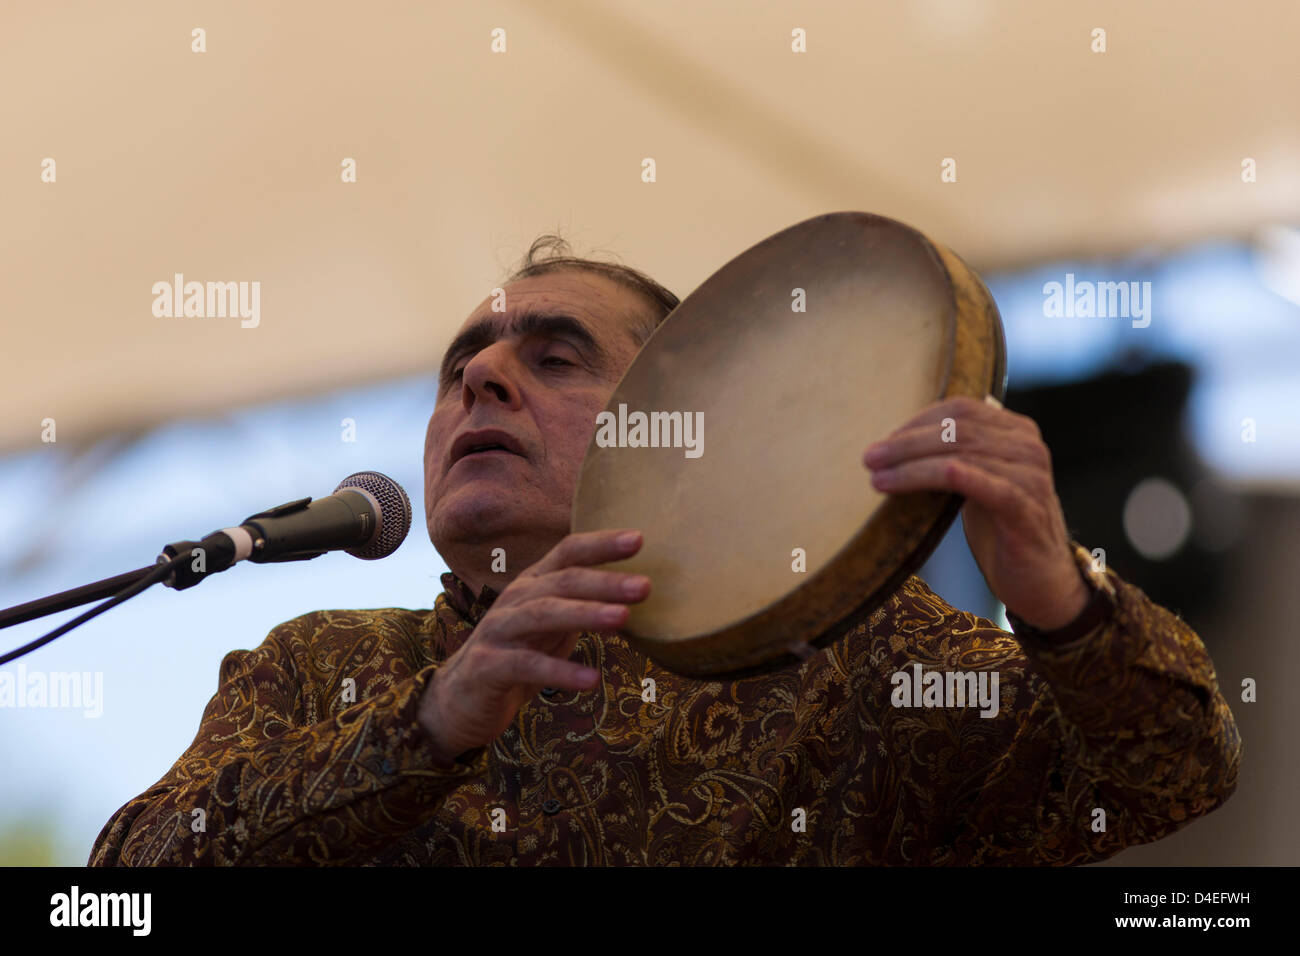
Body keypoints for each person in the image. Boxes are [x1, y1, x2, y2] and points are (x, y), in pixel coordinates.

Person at [88, 236, 1240, 865]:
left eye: (555, 356)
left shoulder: (856, 658)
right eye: (461, 366)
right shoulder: (325, 661)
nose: (481, 378)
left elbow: (1174, 772)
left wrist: (1057, 601)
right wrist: (430, 726)